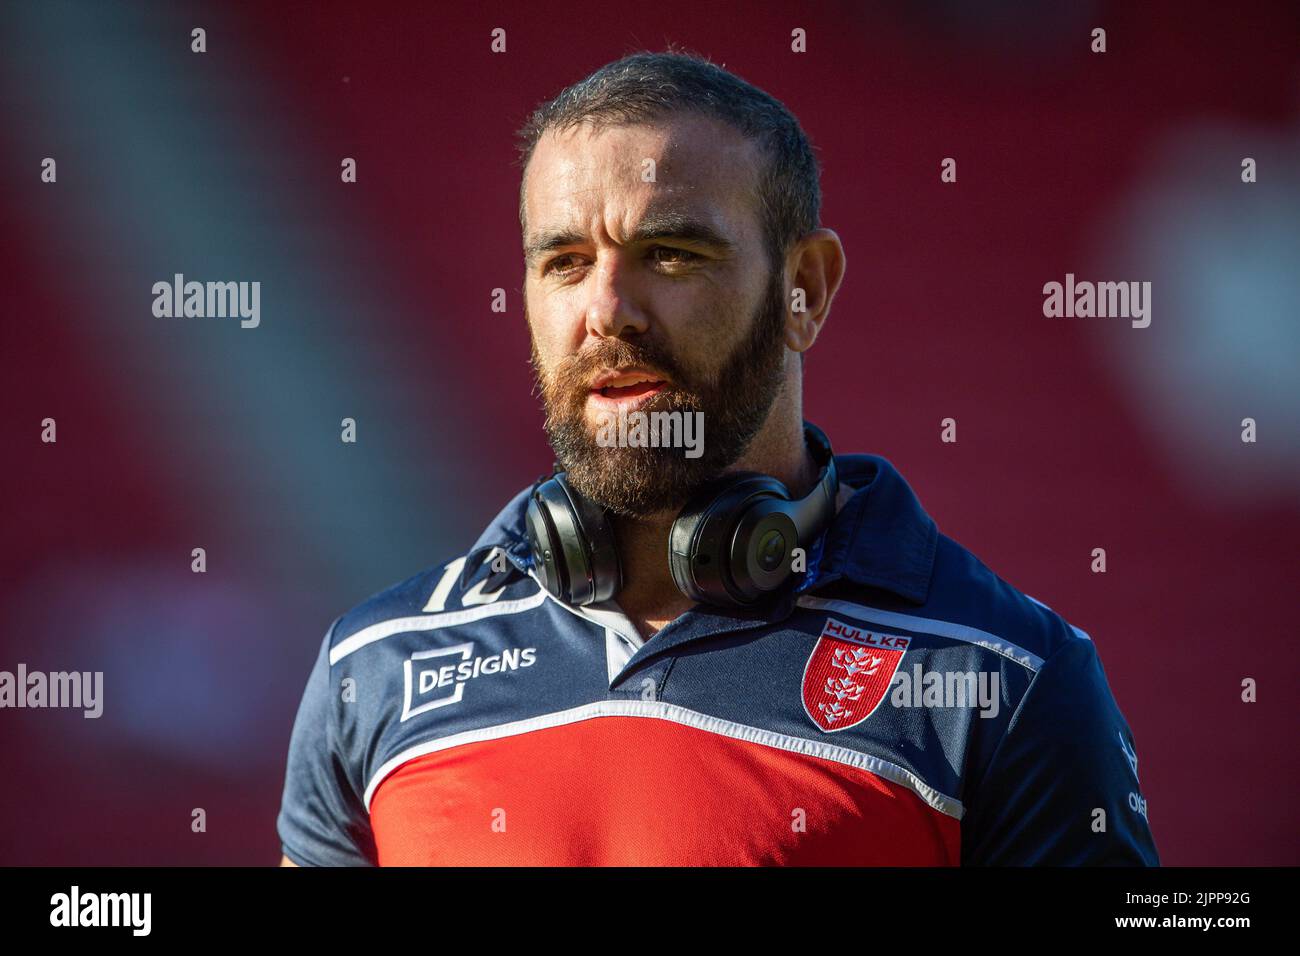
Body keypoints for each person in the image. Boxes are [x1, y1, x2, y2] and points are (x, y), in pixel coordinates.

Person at [277, 50, 1158, 866]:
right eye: (565, 262)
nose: (608, 309)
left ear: (802, 290)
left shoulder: (1004, 679)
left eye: (671, 253)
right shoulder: (373, 666)